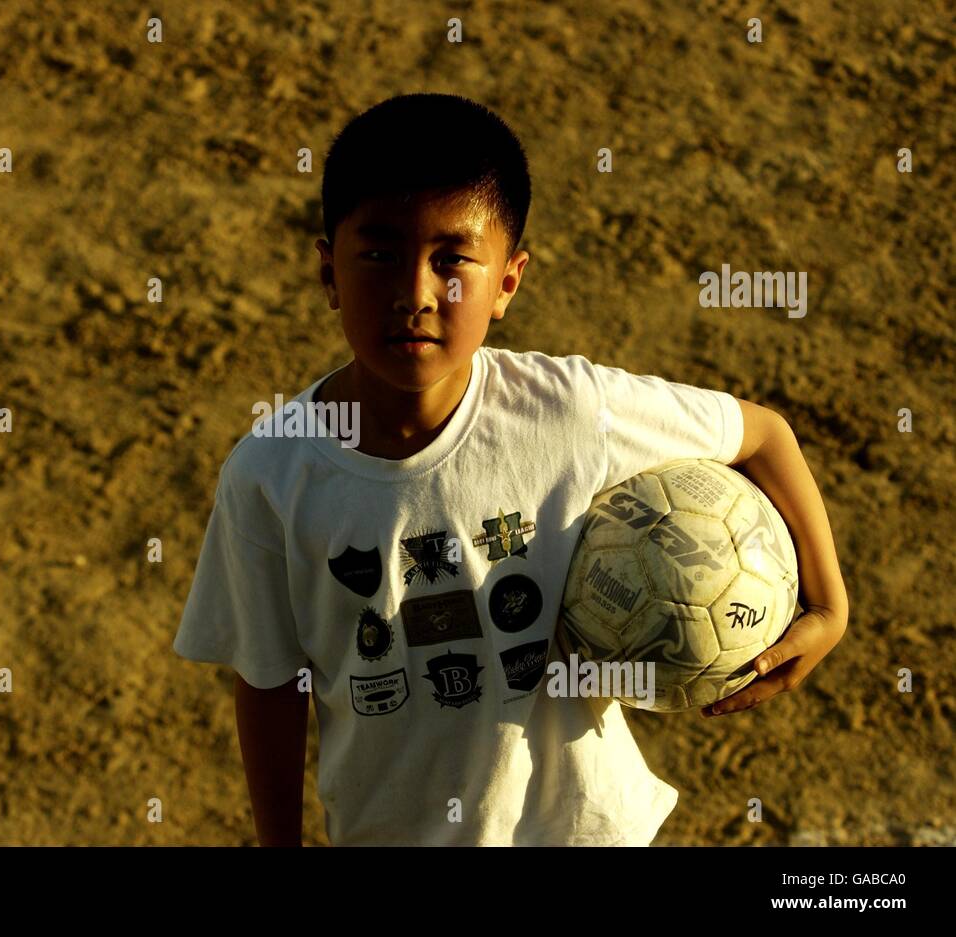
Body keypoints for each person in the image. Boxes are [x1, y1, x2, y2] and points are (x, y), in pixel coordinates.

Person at [172, 93, 849, 846]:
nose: (416, 293)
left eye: (453, 259)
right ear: (329, 272)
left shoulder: (569, 413)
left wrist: (830, 605)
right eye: (379, 253)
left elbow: (762, 435)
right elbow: (269, 682)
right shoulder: (270, 476)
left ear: (508, 283)